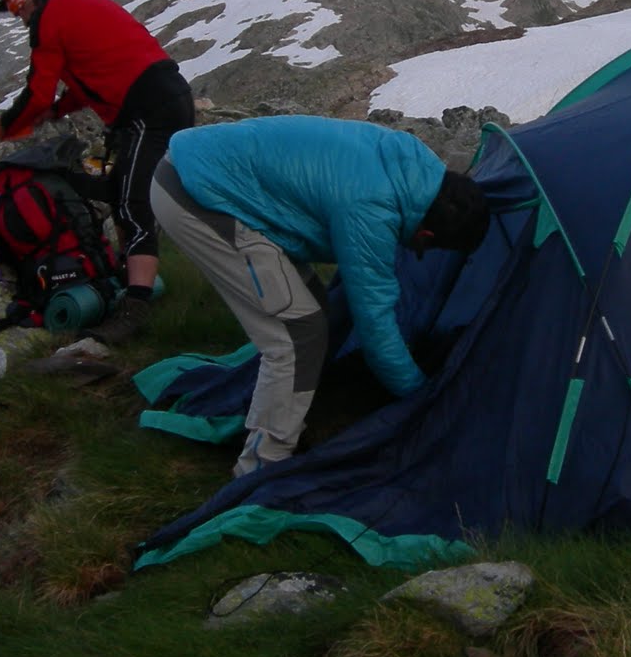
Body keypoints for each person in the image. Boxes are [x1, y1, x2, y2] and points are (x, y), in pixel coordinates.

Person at [150, 115, 491, 477]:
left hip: (208, 172)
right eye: (422, 249)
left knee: (313, 312)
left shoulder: (413, 166)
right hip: (198, 194)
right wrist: (419, 394)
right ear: (425, 234)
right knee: (296, 332)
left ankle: (285, 416)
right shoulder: (373, 208)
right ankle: (262, 466)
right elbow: (375, 325)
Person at [0, 0, 194, 343]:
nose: (20, 20)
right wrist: (57, 110)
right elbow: (84, 80)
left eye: (17, 11)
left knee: (132, 204)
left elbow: (37, 90)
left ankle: (136, 309)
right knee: (120, 191)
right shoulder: (80, 5)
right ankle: (133, 285)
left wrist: (5, 124)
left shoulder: (49, 17)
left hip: (148, 109)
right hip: (161, 98)